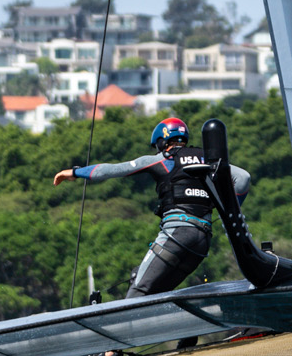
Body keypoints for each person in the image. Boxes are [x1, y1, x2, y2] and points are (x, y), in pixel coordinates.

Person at [51, 116, 251, 297]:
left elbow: (110, 170)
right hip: (202, 241)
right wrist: (227, 215)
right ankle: (186, 336)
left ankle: (122, 337)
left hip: (177, 235)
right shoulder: (206, 159)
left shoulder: (162, 160)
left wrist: (75, 172)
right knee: (160, 294)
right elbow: (243, 178)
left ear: (162, 141)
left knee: (138, 292)